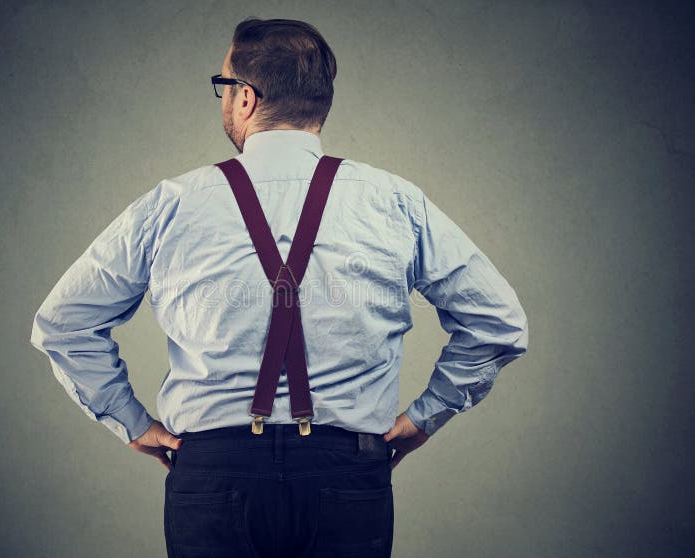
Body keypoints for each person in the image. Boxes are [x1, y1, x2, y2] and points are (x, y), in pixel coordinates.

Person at [29, 17, 528, 558]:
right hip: (348, 474)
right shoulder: (394, 201)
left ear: (245, 97)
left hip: (213, 476)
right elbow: (497, 323)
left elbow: (64, 323)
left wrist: (128, 419)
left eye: (224, 87)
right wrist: (426, 416)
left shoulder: (171, 204)